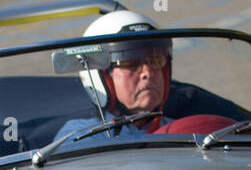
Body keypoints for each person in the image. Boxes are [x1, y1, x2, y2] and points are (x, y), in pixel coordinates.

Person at [52, 10, 175, 145]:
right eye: (131, 64)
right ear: (102, 76)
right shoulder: (78, 137)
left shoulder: (185, 131)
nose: (148, 73)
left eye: (156, 61)